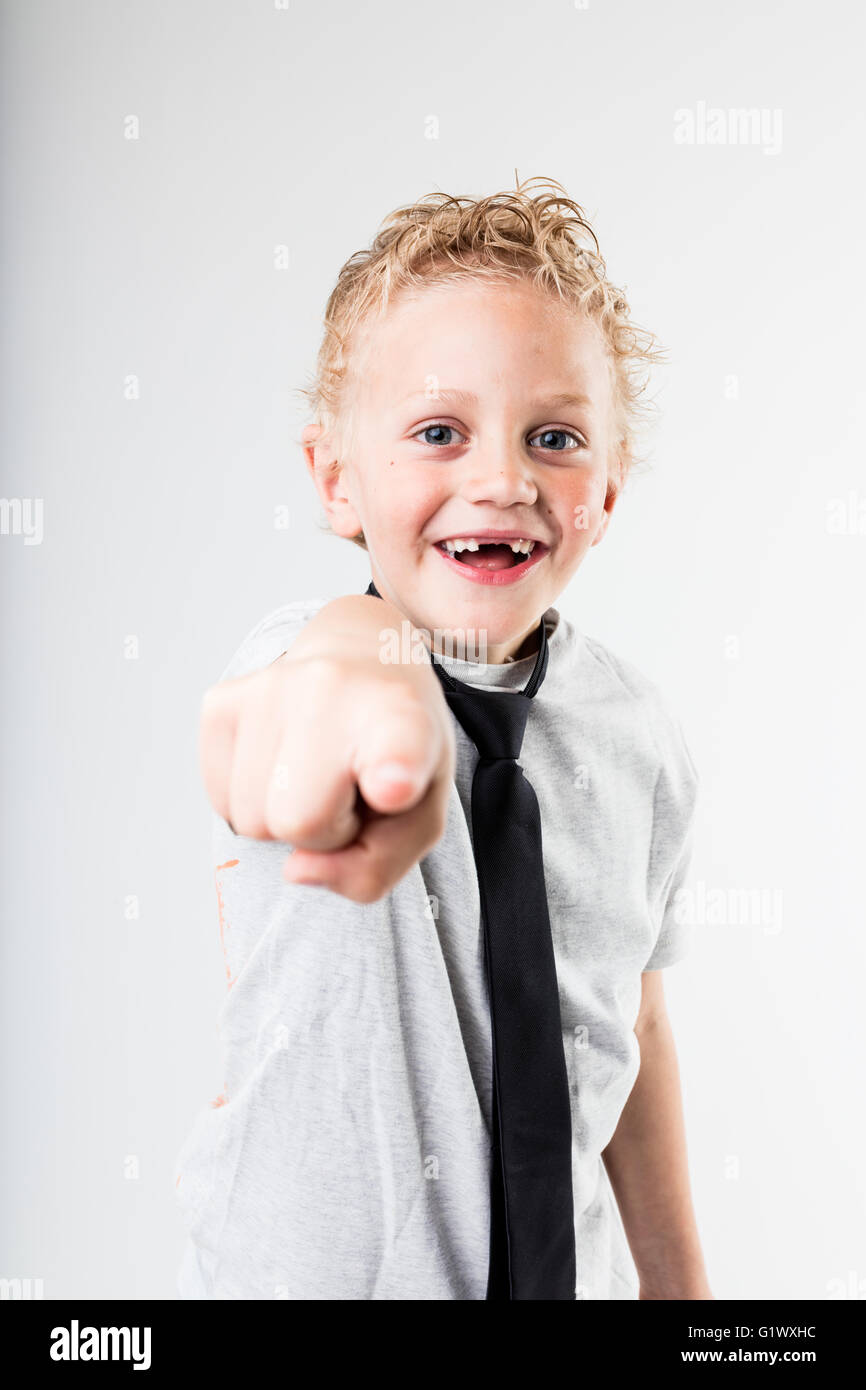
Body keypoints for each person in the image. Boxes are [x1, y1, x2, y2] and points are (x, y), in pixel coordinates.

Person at [173, 176, 713, 1300]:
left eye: (554, 437)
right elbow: (318, 685)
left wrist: (683, 1300)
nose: (502, 479)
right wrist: (356, 684)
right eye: (436, 432)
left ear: (606, 493)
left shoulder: (639, 739)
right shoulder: (306, 655)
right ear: (335, 478)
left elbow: (633, 1016)